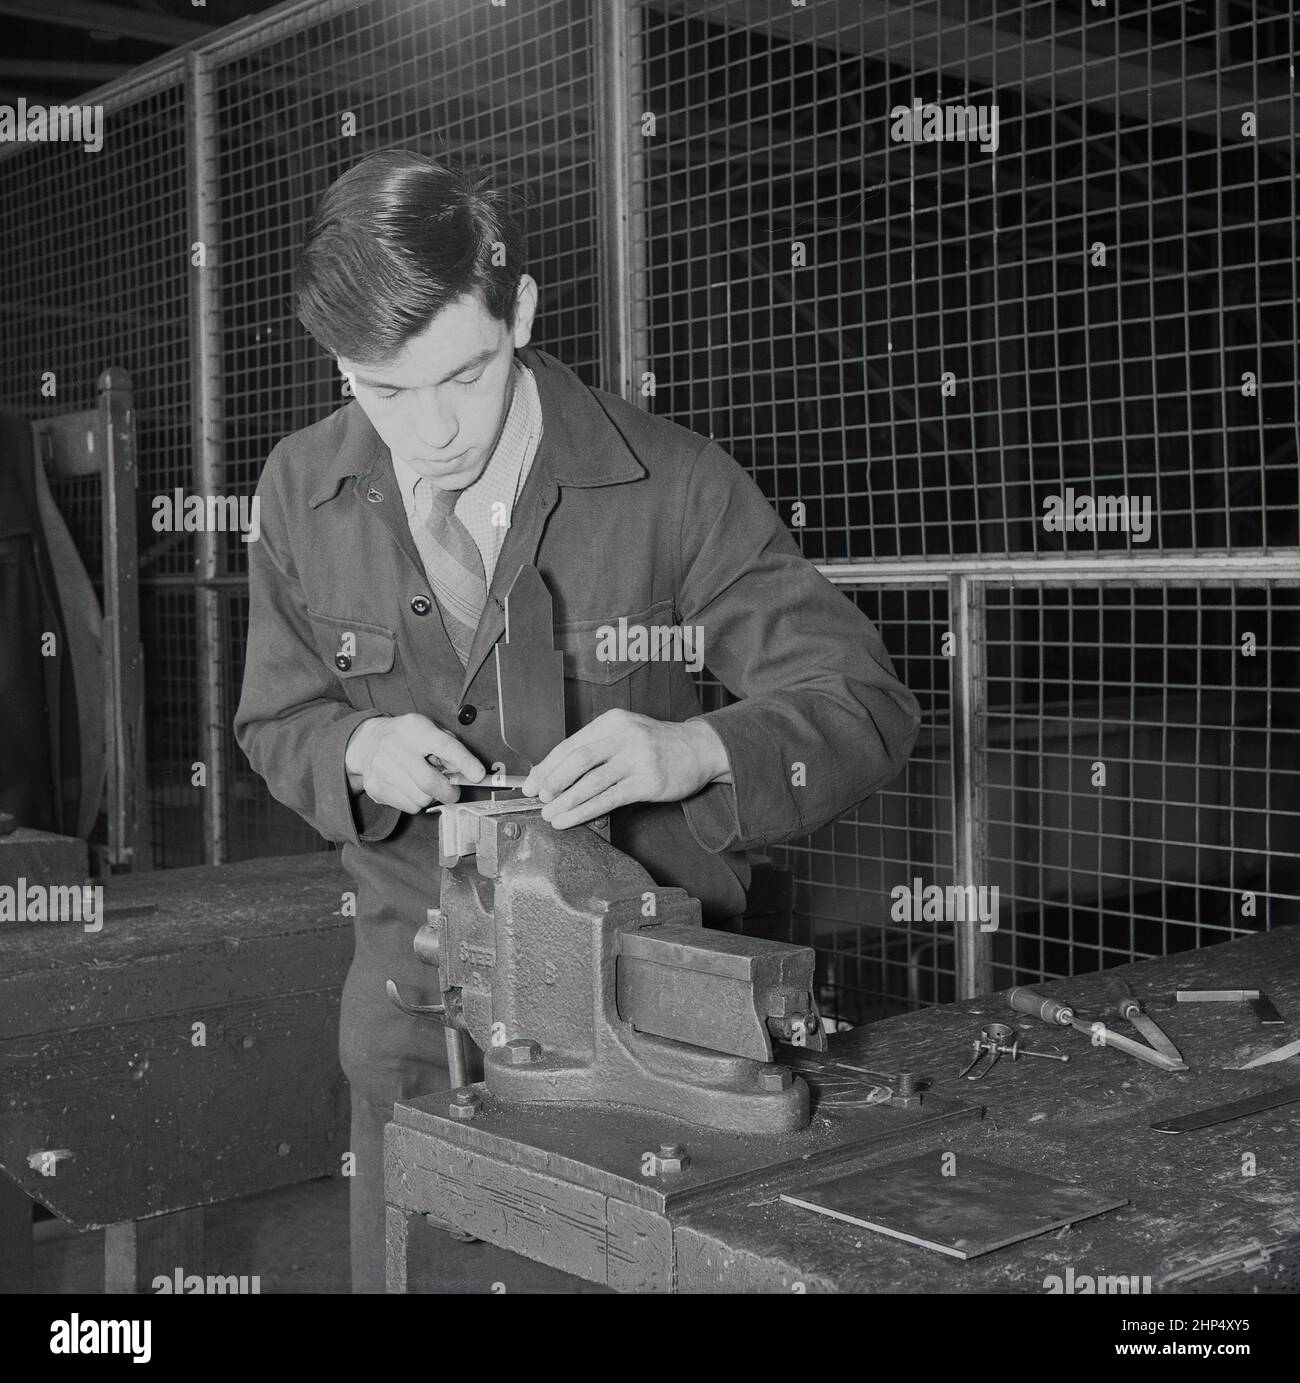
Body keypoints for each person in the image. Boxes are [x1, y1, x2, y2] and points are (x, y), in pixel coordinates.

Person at [234, 148, 921, 1292]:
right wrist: (351, 747)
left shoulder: (675, 483)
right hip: (413, 1019)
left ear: (522, 312)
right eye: (381, 388)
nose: (432, 431)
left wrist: (695, 749)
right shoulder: (298, 489)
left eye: (465, 374)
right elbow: (272, 719)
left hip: (645, 1041)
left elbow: (864, 705)